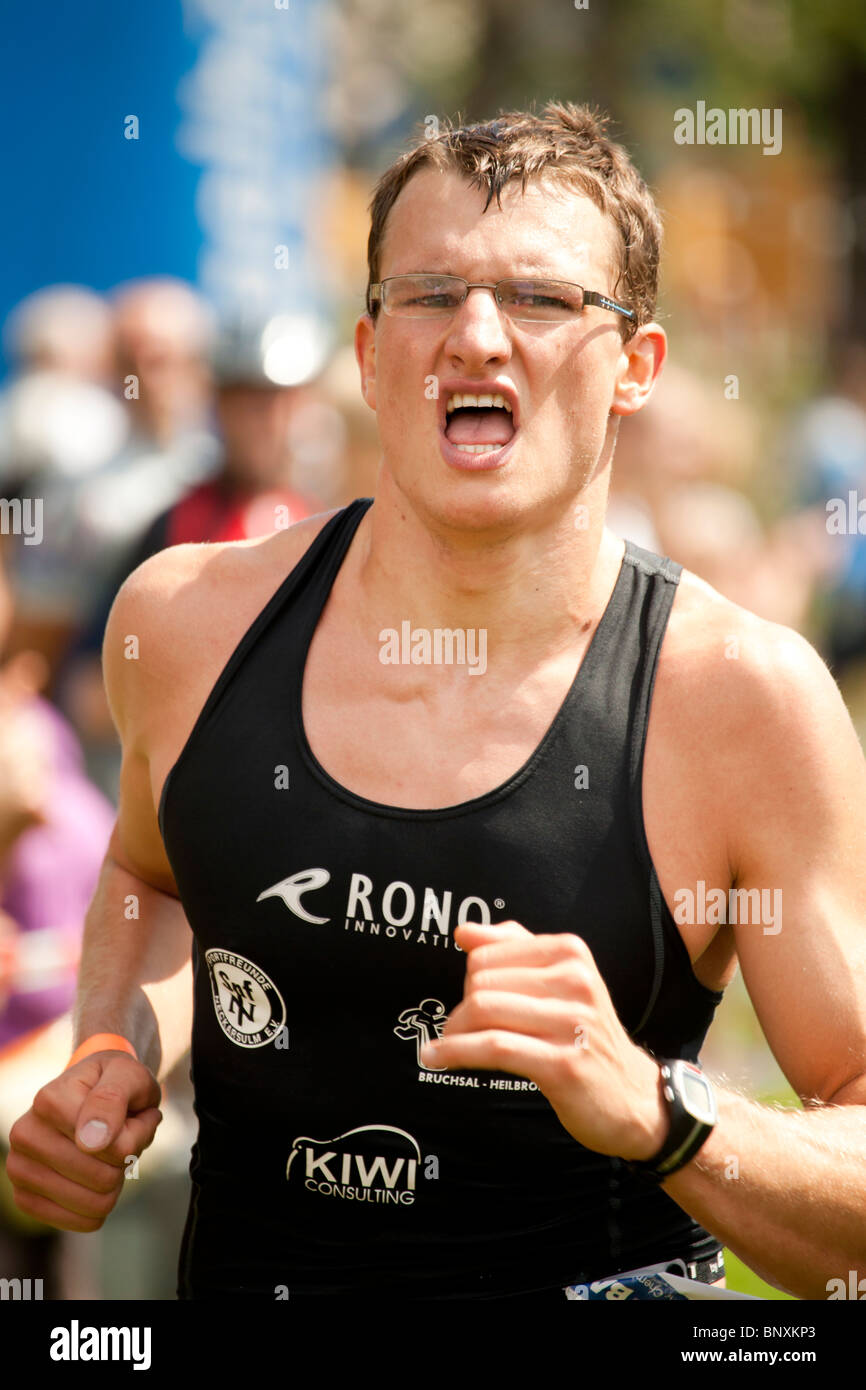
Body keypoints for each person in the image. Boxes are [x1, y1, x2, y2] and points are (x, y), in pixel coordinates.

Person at [7, 102, 866, 1303]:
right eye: (428, 292)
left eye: (539, 298)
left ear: (635, 366)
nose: (474, 336)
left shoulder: (738, 699)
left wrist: (660, 1110)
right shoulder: (188, 622)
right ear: (368, 355)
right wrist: (110, 1044)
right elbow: (156, 876)